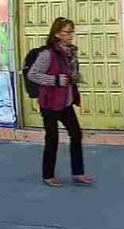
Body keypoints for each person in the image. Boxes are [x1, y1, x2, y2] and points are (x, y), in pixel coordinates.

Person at [28, 17, 95, 188]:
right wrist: (55, 80)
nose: (70, 35)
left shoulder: (70, 52)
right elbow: (33, 74)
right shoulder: (47, 54)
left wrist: (75, 77)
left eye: (71, 31)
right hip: (50, 103)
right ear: (57, 34)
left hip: (66, 102)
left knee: (76, 134)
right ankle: (48, 175)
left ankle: (78, 173)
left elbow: (71, 74)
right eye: (67, 32)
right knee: (52, 138)